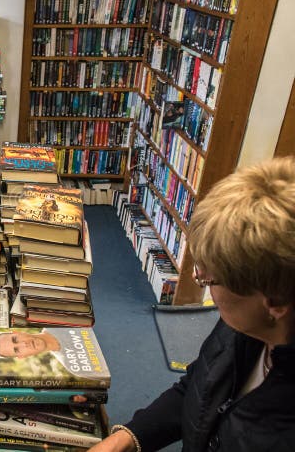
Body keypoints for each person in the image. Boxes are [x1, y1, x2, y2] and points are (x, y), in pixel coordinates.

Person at [89, 157, 295, 452]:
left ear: (274, 302)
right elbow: (200, 388)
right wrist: (125, 439)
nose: (198, 278)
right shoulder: (246, 325)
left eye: (211, 279)